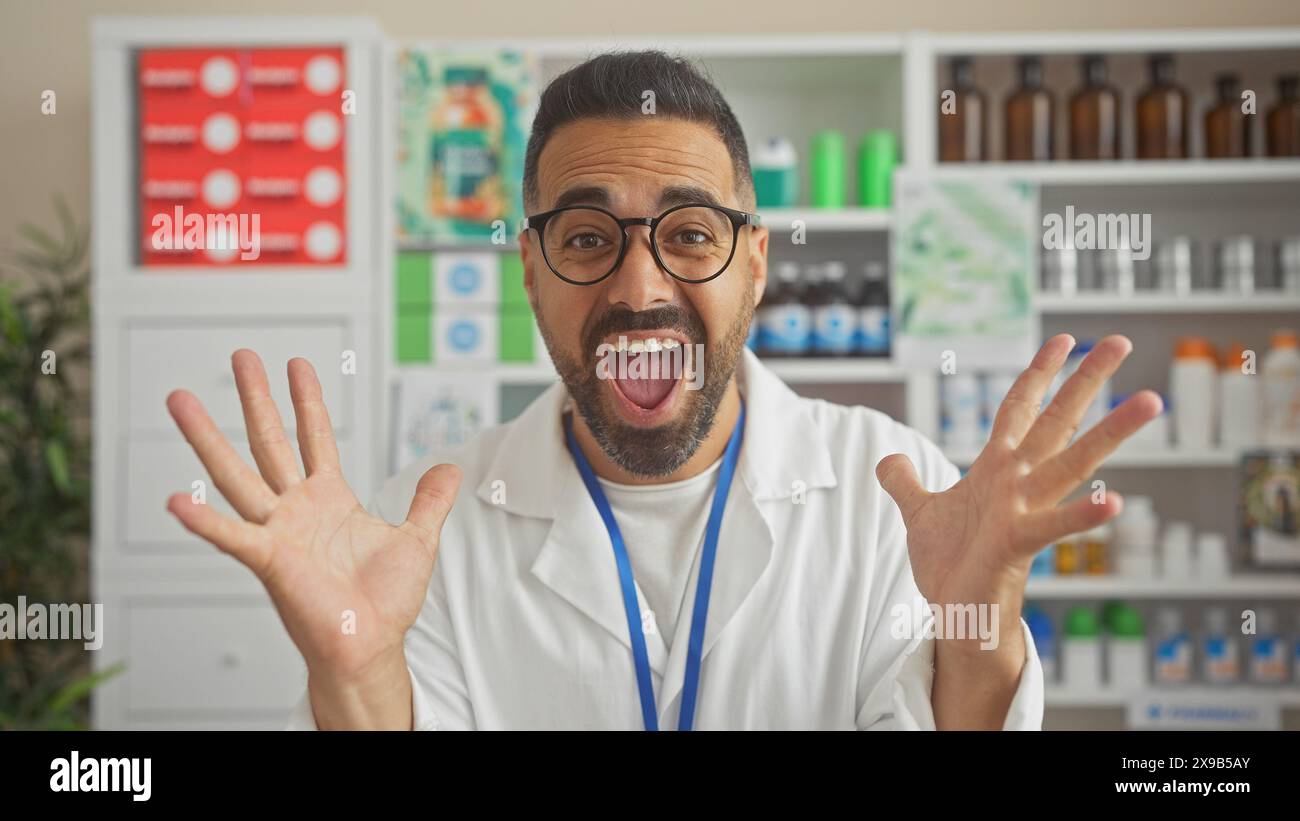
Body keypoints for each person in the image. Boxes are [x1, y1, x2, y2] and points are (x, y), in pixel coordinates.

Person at [163, 51, 1162, 730]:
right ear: (527, 270)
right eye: (587, 239)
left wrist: (977, 618)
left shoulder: (890, 493)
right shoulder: (418, 526)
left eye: (689, 234)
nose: (640, 289)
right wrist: (355, 668)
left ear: (757, 262)